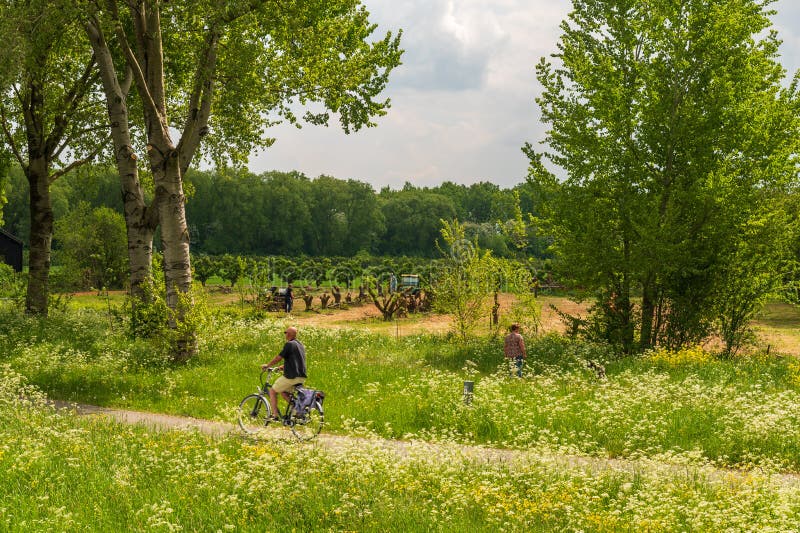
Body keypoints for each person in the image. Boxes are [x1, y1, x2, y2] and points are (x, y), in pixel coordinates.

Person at [261, 326, 307, 419]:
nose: (285, 334)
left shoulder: (289, 344)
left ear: (288, 334)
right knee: (284, 392)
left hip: (292, 377)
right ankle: (296, 410)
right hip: (301, 377)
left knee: (272, 391)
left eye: (285, 332)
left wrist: (268, 365)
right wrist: (282, 367)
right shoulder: (300, 345)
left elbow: (279, 357)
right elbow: (296, 360)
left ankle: (274, 415)